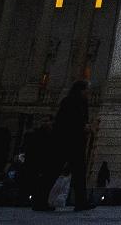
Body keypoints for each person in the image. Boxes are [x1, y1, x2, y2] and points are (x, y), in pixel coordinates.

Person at [49, 80, 92, 211]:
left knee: (79, 173)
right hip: (66, 141)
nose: (88, 93)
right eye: (86, 90)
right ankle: (39, 200)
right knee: (54, 172)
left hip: (75, 142)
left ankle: (81, 202)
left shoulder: (78, 102)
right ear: (81, 90)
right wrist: (83, 127)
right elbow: (65, 122)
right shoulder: (69, 102)